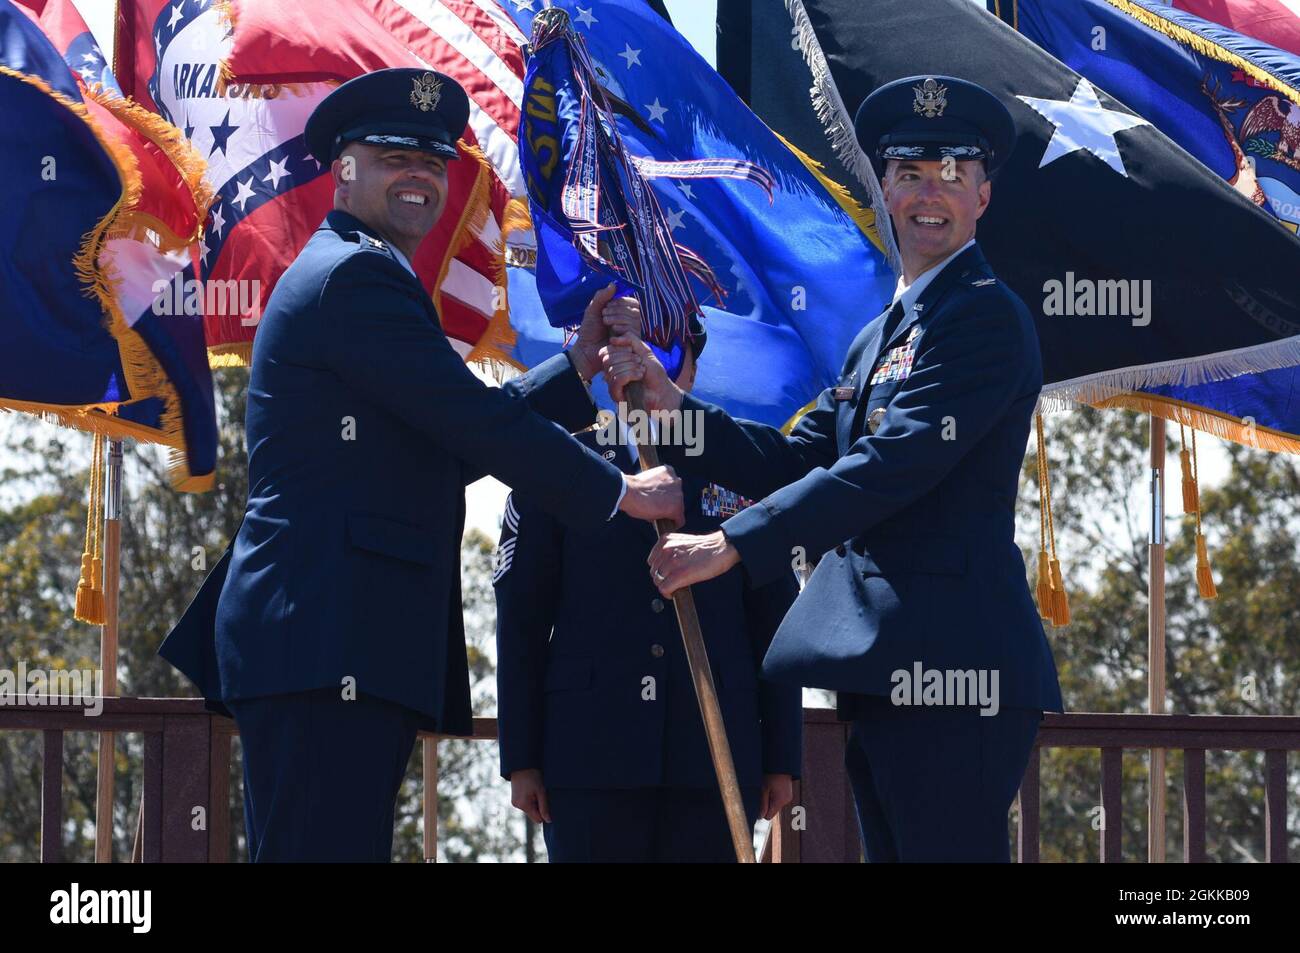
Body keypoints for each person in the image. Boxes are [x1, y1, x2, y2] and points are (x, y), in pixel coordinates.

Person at [158, 68, 682, 862]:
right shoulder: (355, 277)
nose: (419, 176)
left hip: (330, 638)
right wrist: (619, 491)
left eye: (433, 162)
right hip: (326, 634)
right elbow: (468, 418)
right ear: (343, 169)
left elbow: (440, 437)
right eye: (395, 155)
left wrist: (575, 367)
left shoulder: (361, 273)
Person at [601, 75, 1063, 862]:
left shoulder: (983, 315)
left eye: (952, 176)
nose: (929, 194)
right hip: (885, 668)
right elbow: (796, 454)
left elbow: (889, 466)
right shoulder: (882, 332)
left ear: (982, 195)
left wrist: (731, 545)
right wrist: (669, 407)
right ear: (882, 187)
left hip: (956, 670)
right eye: (909, 174)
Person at [493, 311, 802, 863]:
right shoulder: (559, 461)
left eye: (663, 347)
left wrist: (781, 754)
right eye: (629, 346)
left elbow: (775, 619)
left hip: (714, 757)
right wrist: (521, 757)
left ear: (692, 363)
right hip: (589, 757)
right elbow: (521, 615)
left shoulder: (739, 459)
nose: (644, 361)